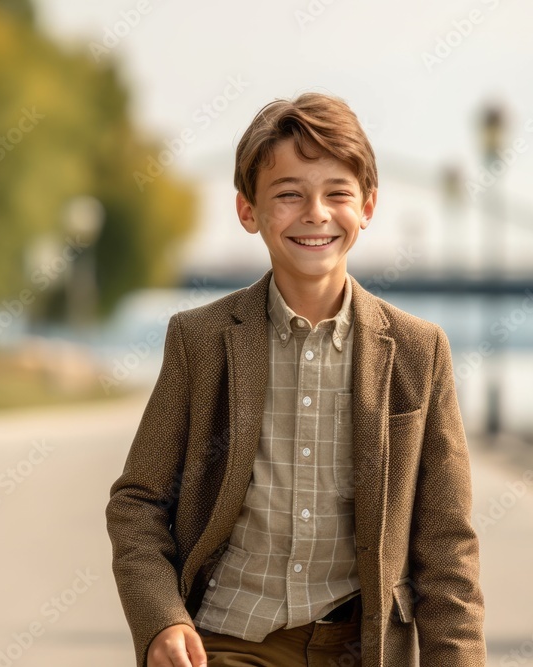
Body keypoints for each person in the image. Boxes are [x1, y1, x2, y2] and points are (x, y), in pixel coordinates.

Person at [106, 91, 486, 667]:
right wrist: (161, 618)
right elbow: (138, 502)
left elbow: (446, 546)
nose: (316, 213)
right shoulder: (200, 340)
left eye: (338, 193)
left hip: (363, 648)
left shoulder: (417, 352)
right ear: (248, 211)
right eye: (289, 195)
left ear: (368, 206)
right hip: (228, 641)